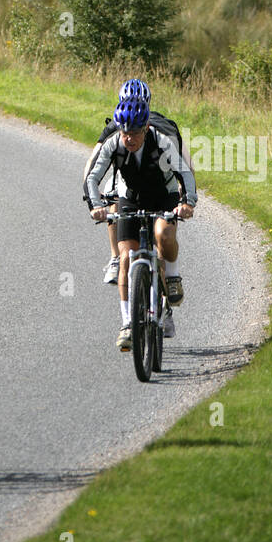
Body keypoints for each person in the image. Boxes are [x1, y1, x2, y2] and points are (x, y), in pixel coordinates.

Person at [83, 87, 196, 351]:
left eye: (134, 132)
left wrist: (187, 203)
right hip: (131, 197)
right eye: (124, 132)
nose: (128, 138)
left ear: (145, 128)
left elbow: (185, 174)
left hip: (163, 195)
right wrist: (96, 206)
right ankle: (126, 324)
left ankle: (173, 276)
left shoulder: (161, 140)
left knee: (164, 236)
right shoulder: (115, 143)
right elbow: (92, 176)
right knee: (125, 257)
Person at [85, 78, 152, 286]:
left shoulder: (153, 124)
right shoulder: (114, 126)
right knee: (112, 195)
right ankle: (116, 257)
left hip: (147, 177)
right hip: (119, 176)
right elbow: (93, 160)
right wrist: (90, 193)